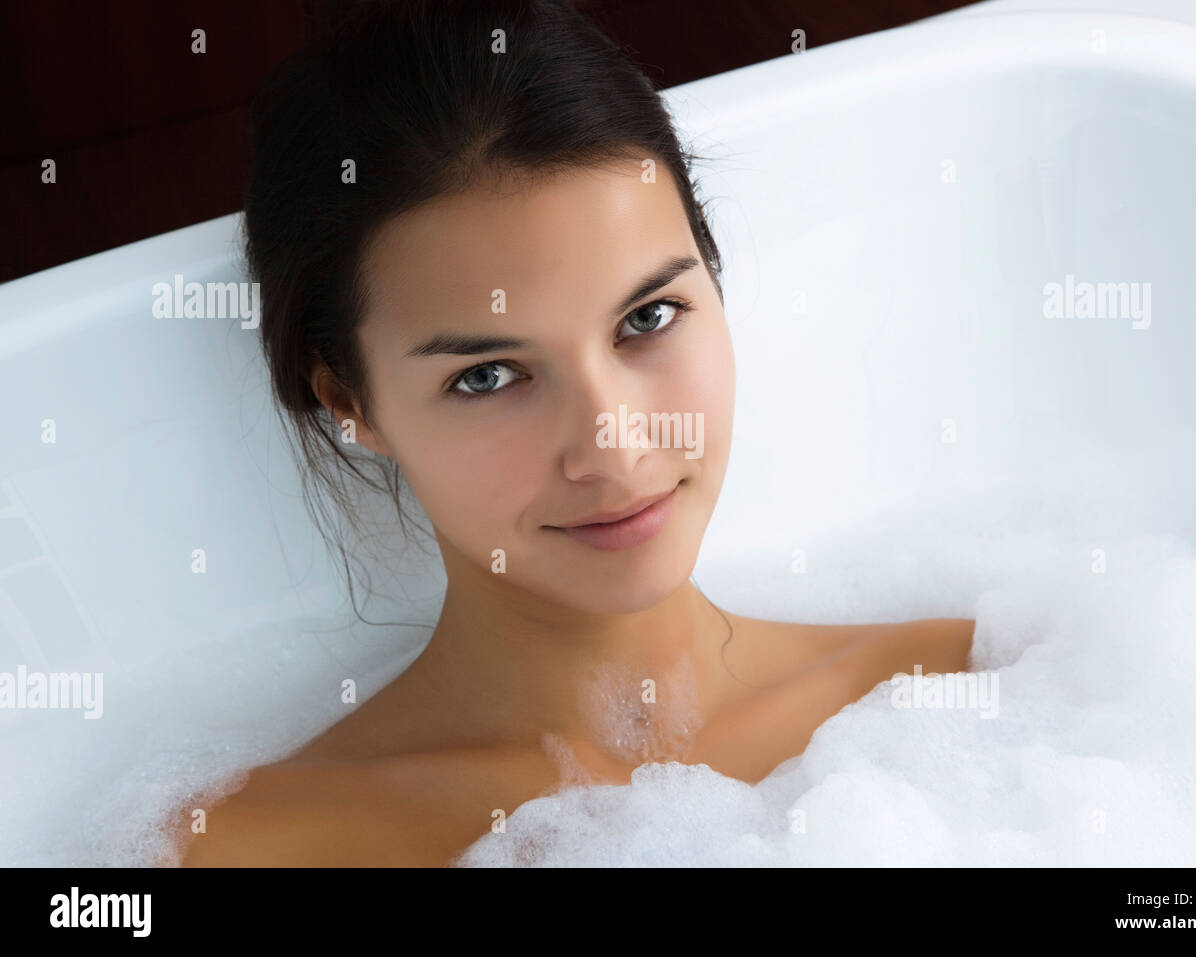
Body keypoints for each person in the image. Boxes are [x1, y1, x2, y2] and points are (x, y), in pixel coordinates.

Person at [177, 0, 973, 867]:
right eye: (486, 375)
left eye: (650, 315)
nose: (615, 444)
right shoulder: (250, 850)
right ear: (350, 401)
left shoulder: (970, 690)